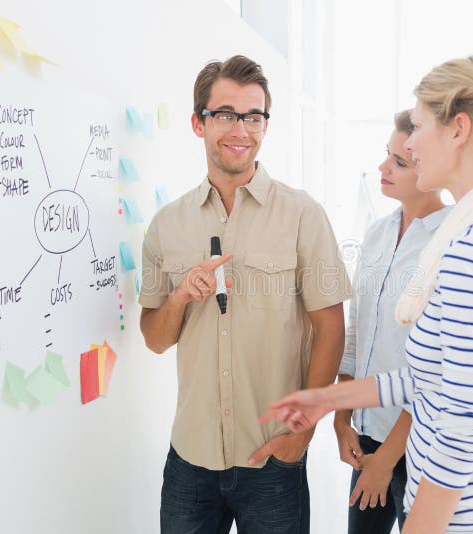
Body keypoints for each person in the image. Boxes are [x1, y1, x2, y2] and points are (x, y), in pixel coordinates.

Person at [262, 55, 473, 534]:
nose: (412, 143)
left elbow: (462, 431)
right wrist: (328, 398)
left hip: (468, 520)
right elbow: (433, 379)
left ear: (458, 129)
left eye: (418, 127)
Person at [138, 54, 352, 534]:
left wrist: (302, 434)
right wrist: (178, 300)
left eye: (254, 116)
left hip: (273, 460)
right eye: (227, 114)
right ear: (199, 123)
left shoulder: (303, 215)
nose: (242, 129)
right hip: (190, 462)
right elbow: (153, 337)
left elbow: (331, 331)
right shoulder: (166, 225)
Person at [335, 109, 449, 534]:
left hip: (417, 443)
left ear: (431, 170)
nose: (383, 167)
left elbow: (438, 370)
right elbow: (356, 330)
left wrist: (388, 460)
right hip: (367, 432)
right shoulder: (377, 232)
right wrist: (342, 416)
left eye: (399, 162)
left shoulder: (449, 243)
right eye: (387, 155)